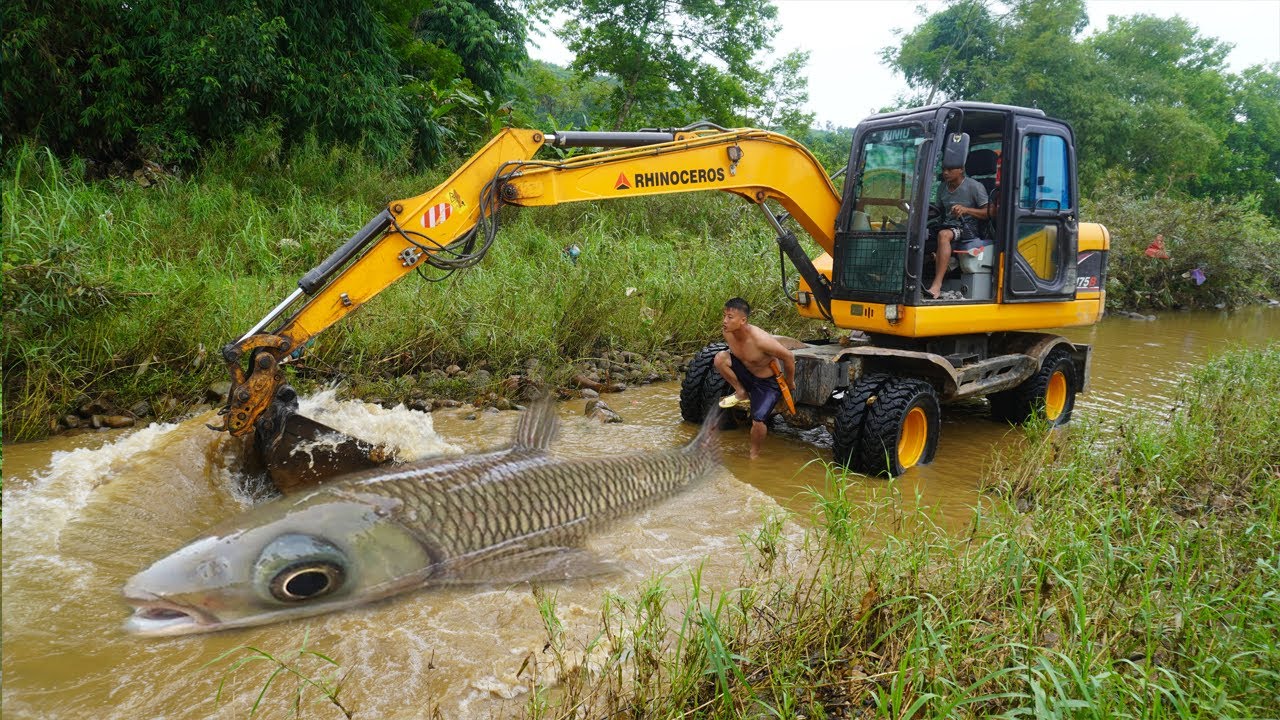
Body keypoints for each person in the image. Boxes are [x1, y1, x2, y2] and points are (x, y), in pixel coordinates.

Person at [713, 297, 796, 460]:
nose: (724, 321)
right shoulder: (727, 332)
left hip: (767, 383)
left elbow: (789, 357)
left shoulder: (760, 340)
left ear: (743, 320)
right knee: (720, 358)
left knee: (758, 421)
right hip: (747, 374)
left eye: (730, 317)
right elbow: (739, 357)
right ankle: (741, 392)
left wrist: (790, 382)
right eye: (724, 316)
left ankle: (754, 454)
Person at [926, 163, 990, 299]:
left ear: (961, 169)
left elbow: (989, 212)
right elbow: (937, 211)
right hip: (946, 224)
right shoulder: (942, 187)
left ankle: (936, 286)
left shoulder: (975, 187)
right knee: (916, 233)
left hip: (967, 227)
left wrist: (966, 210)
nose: (945, 173)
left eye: (949, 169)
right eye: (943, 169)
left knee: (944, 235)